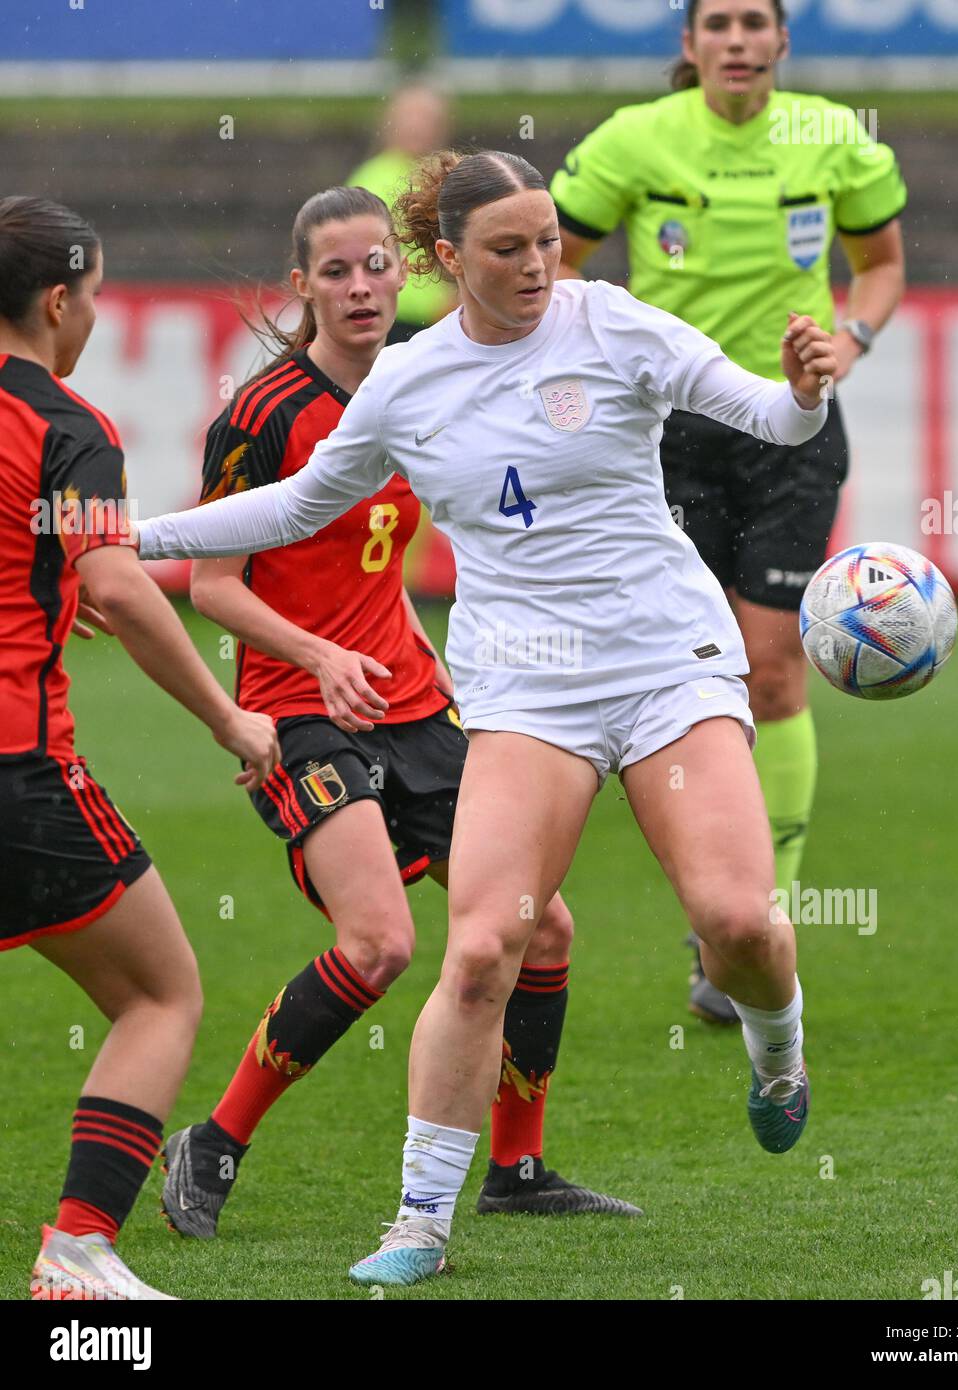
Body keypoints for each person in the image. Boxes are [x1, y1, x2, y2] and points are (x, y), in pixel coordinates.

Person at [130, 149, 838, 1289]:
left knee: (735, 922)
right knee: (480, 950)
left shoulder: (613, 325)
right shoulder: (408, 381)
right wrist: (141, 535)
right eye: (508, 249)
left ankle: (777, 1053)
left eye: (549, 240)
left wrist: (807, 390)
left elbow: (772, 418)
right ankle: (420, 1219)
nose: (538, 265)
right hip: (525, 689)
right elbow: (305, 499)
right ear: (449, 260)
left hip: (666, 660)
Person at [159, 185, 638, 1238]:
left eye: (377, 263)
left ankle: (517, 1167)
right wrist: (316, 654)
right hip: (299, 705)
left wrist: (428, 661)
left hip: (408, 701)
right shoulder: (261, 414)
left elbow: (383, 569)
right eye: (336, 271)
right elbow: (212, 581)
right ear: (303, 287)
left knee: (542, 925)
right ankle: (217, 1140)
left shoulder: (426, 380)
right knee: (378, 941)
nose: (363, 287)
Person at [551, 0, 907, 1022]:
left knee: (774, 666)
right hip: (667, 435)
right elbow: (556, 264)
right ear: (691, 45)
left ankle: (757, 916)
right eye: (721, 23)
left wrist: (853, 340)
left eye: (758, 22)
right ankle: (717, 903)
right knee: (687, 674)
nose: (740, 40)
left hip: (792, 426)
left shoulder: (837, 136)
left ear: (783, 42)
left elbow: (880, 267)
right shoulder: (633, 139)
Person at [0, 196, 278, 1300]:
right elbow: (116, 576)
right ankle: (77, 1250)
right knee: (162, 993)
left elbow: (58, 561)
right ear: (61, 299)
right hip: (19, 766)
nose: (96, 319)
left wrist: (53, 583)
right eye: (97, 298)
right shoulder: (68, 423)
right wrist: (229, 716)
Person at [346, 83, 458, 342]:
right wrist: (436, 304)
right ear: (389, 123)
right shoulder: (373, 178)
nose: (417, 127)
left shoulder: (444, 174)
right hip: (397, 318)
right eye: (410, 117)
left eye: (427, 119)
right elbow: (375, 256)